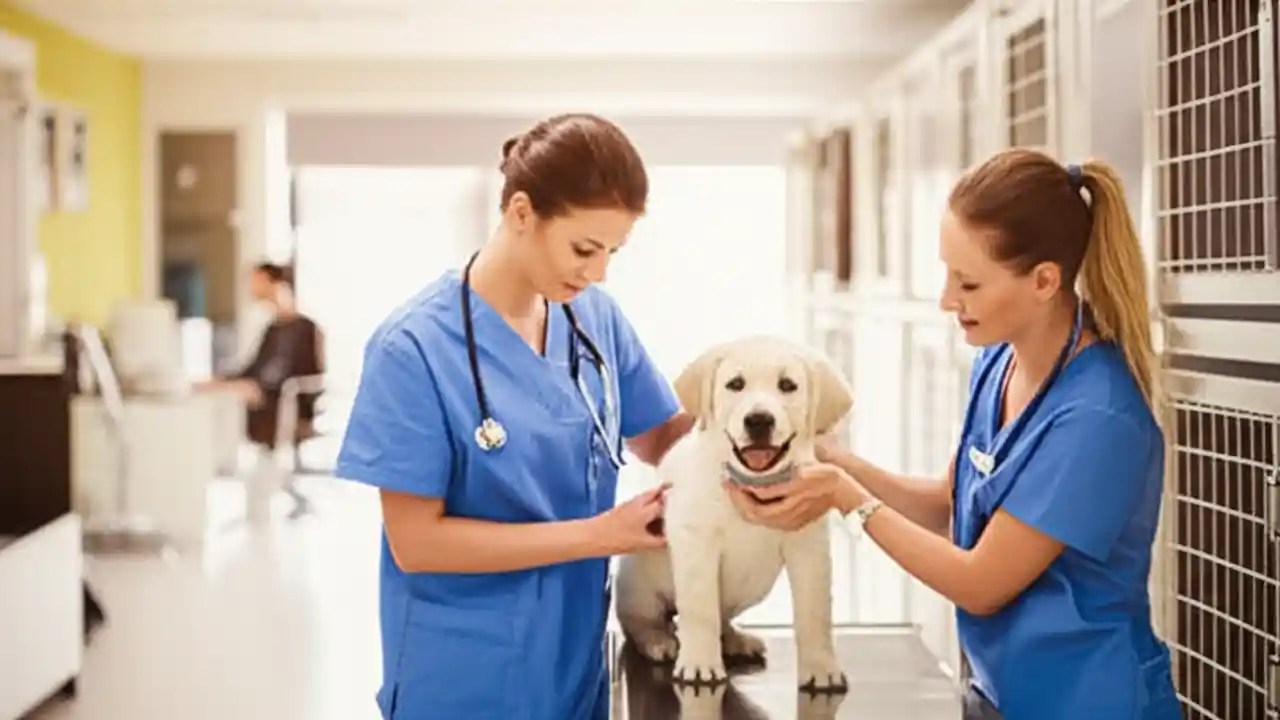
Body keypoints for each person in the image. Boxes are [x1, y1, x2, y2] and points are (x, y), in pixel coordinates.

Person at [723, 149, 1182, 719]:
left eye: (967, 283)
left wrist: (847, 499)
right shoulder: (997, 363)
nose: (946, 300)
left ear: (1044, 281)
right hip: (996, 695)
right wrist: (832, 463)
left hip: (1086, 701)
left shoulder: (1098, 416)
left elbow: (982, 582)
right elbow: (950, 503)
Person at [333, 113, 693, 720]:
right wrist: (599, 534)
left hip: (573, 671)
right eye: (584, 248)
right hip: (463, 678)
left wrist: (767, 427)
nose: (598, 271)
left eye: (613, 251)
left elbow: (661, 437)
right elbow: (416, 542)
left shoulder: (595, 320)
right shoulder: (414, 347)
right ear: (521, 213)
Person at [200, 262, 325, 449]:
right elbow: (256, 367)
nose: (252, 287)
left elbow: (285, 373)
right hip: (267, 391)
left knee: (235, 392)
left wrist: (249, 385)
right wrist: (225, 379)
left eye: (257, 281)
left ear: (272, 282)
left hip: (285, 399)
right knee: (207, 387)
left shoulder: (304, 328)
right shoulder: (274, 327)